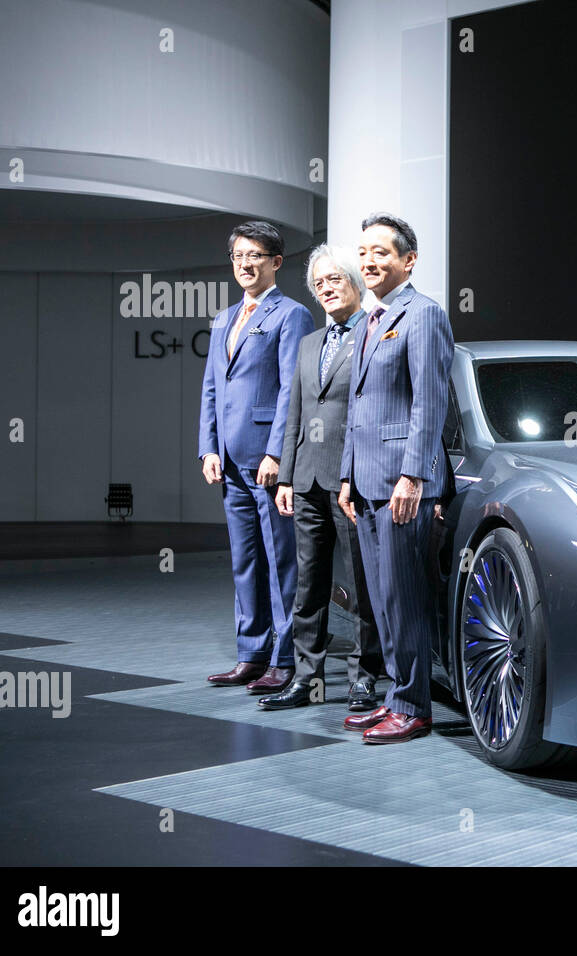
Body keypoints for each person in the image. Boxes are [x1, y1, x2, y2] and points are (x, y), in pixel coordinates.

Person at [338, 213, 453, 744]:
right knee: (381, 598)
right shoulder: (367, 319)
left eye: (381, 252)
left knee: (404, 598)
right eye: (363, 252)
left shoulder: (422, 314)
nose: (369, 261)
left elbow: (430, 404)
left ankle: (413, 706)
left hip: (400, 485)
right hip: (364, 483)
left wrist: (413, 477)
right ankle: (394, 696)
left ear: (408, 260)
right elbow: (358, 408)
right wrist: (345, 477)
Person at [258, 246, 384, 712]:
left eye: (335, 279)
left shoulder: (374, 334)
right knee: (308, 584)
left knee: (360, 584)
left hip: (353, 482)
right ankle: (306, 677)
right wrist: (286, 476)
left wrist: (355, 472)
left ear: (355, 282)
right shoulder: (309, 343)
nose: (327, 288)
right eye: (319, 284)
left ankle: (363, 677)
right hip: (306, 480)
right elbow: (294, 413)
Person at [199, 221, 313, 693]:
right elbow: (211, 387)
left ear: (276, 262)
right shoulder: (224, 318)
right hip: (228, 460)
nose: (245, 264)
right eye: (238, 256)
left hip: (266, 462)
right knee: (245, 561)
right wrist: (207, 446)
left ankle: (285, 659)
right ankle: (251, 653)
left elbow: (293, 389)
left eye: (256, 256)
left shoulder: (292, 315)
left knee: (281, 560)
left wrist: (276, 454)